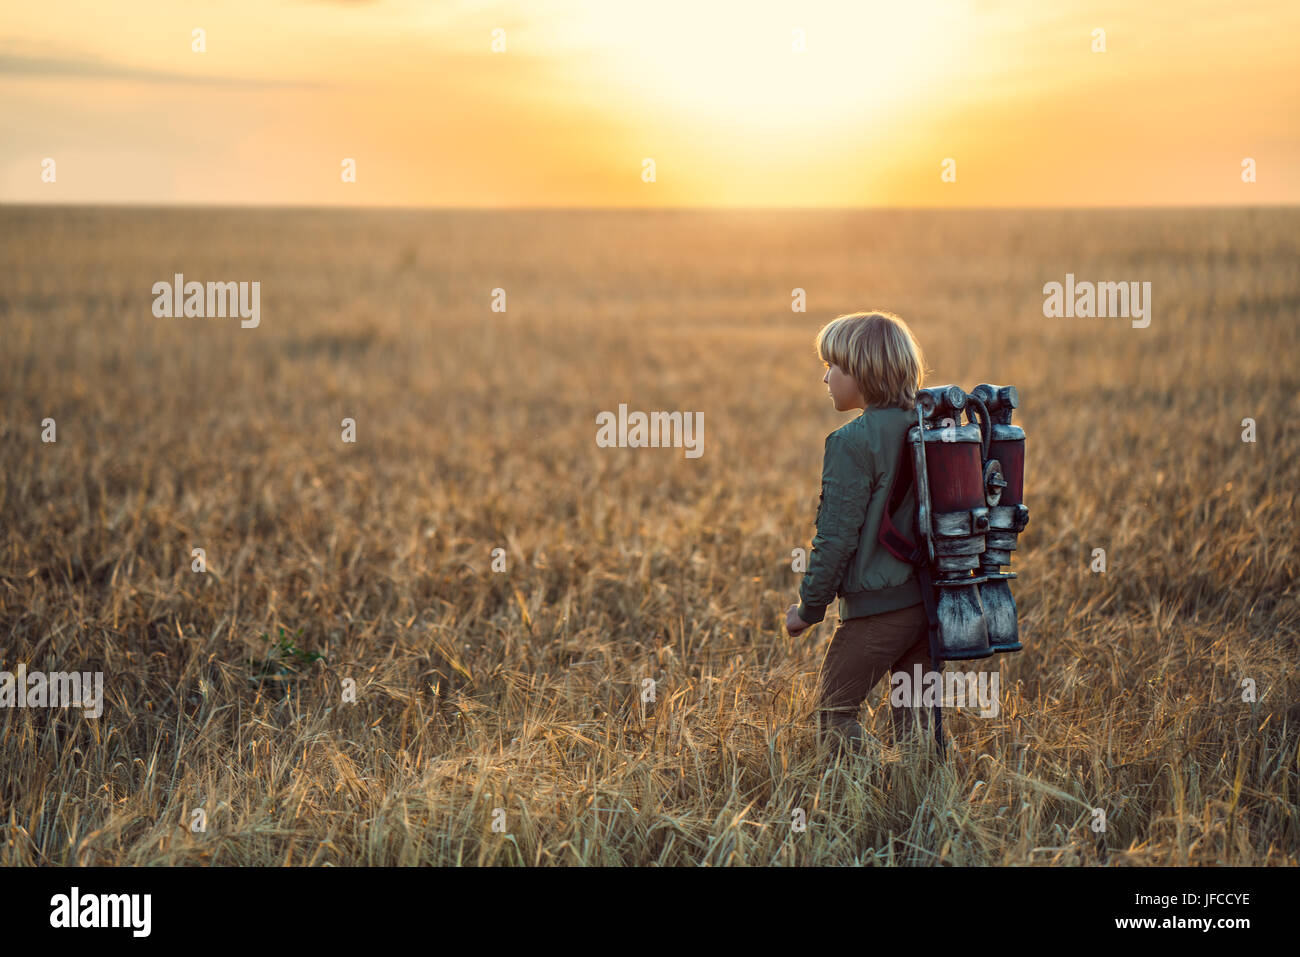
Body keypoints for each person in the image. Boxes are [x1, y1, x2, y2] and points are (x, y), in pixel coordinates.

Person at [784, 311, 933, 761]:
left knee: (834, 716)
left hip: (877, 610)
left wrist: (808, 610)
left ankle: (880, 792)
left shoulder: (851, 442)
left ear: (864, 374)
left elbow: (835, 540)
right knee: (918, 732)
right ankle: (924, 816)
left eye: (834, 366)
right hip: (929, 606)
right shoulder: (930, 427)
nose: (825, 376)